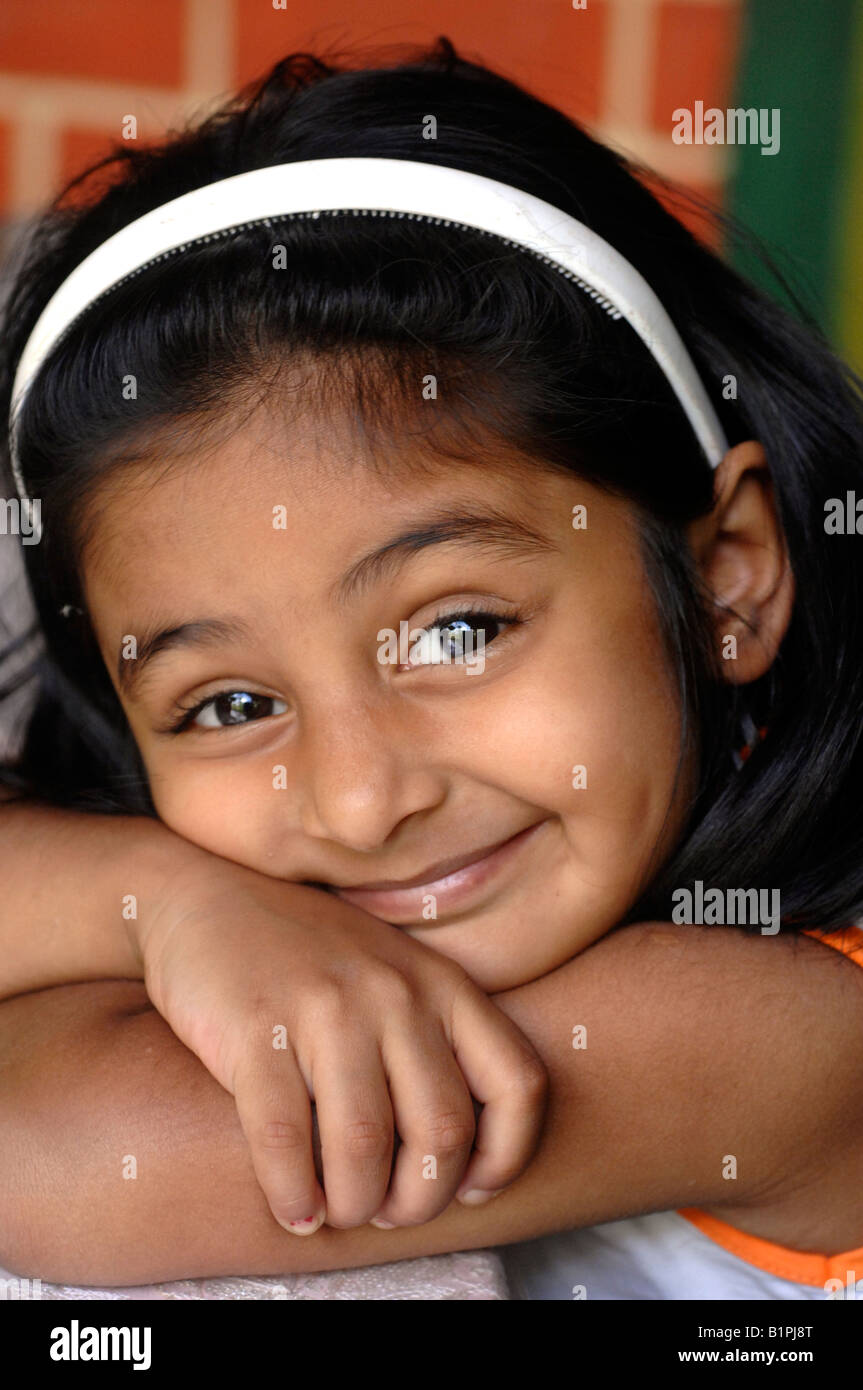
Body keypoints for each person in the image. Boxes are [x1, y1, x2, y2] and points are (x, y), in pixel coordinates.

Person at [2, 41, 863, 1299]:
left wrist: (157, 916)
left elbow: (70, 1158)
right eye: (231, 705)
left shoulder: (784, 1018)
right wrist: (167, 899)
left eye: (457, 630)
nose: (360, 800)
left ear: (726, 572)